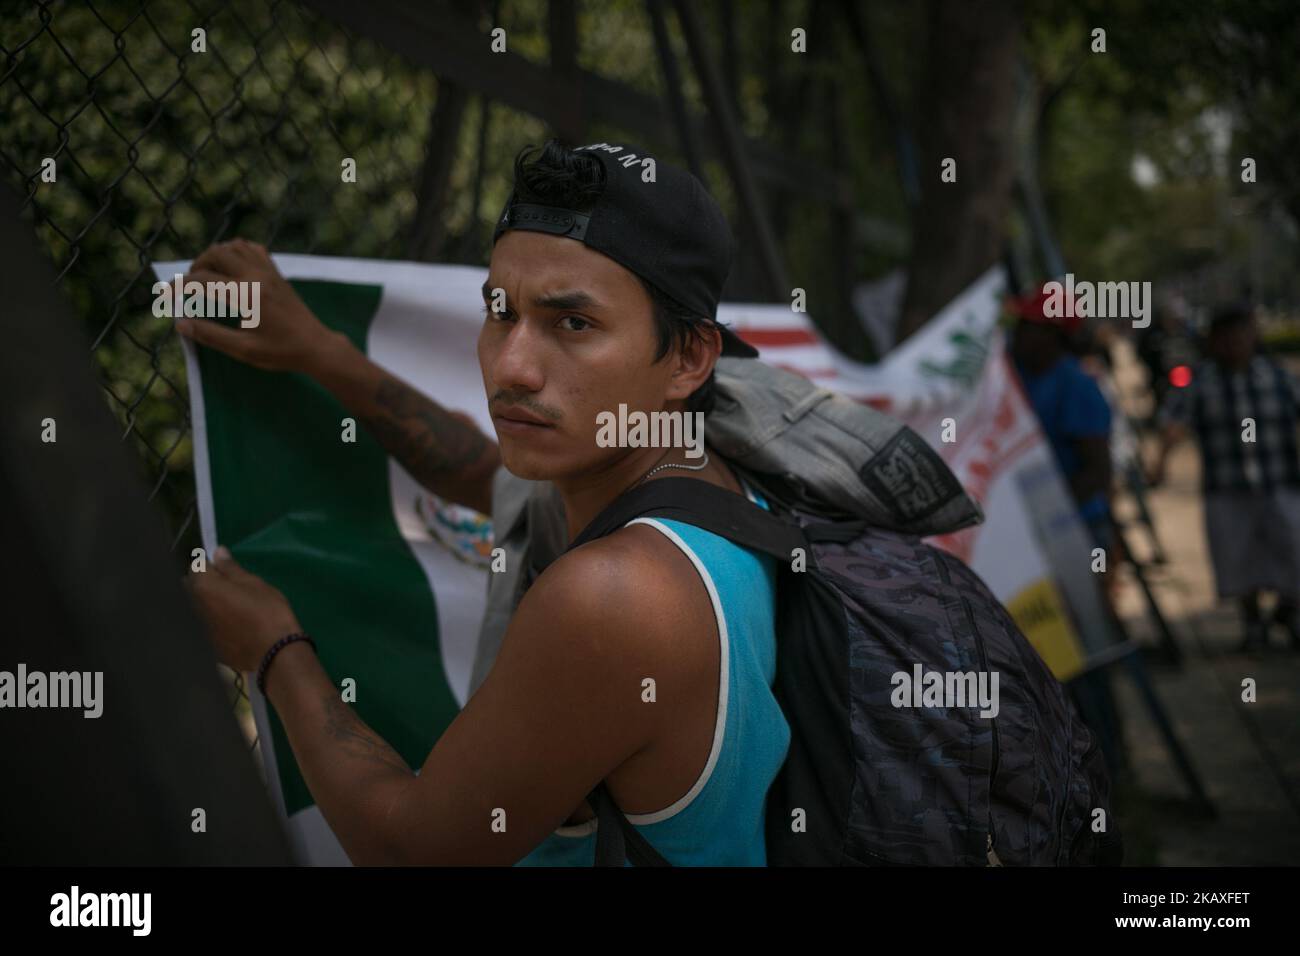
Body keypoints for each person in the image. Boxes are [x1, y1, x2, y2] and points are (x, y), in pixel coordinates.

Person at [179, 139, 792, 865]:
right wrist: (319, 350)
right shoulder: (703, 477)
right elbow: (484, 471)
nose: (512, 367)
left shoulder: (616, 597)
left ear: (689, 358)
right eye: (501, 312)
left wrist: (274, 650)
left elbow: (411, 849)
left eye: (573, 324)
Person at [1150, 302, 1300, 652]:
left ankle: (1288, 612)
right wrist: (1160, 461)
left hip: (1280, 483)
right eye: (1227, 338)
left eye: (1241, 336)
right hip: (1227, 489)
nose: (1235, 345)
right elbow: (1173, 423)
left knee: (1291, 550)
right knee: (1239, 557)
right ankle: (1253, 624)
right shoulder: (1202, 383)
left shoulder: (1277, 377)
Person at [1008, 289, 1114, 549]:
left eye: (1028, 325)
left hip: (1076, 528)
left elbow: (1098, 472)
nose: (1018, 333)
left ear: (1053, 334)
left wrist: (1046, 514)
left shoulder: (1077, 387)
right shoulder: (1013, 376)